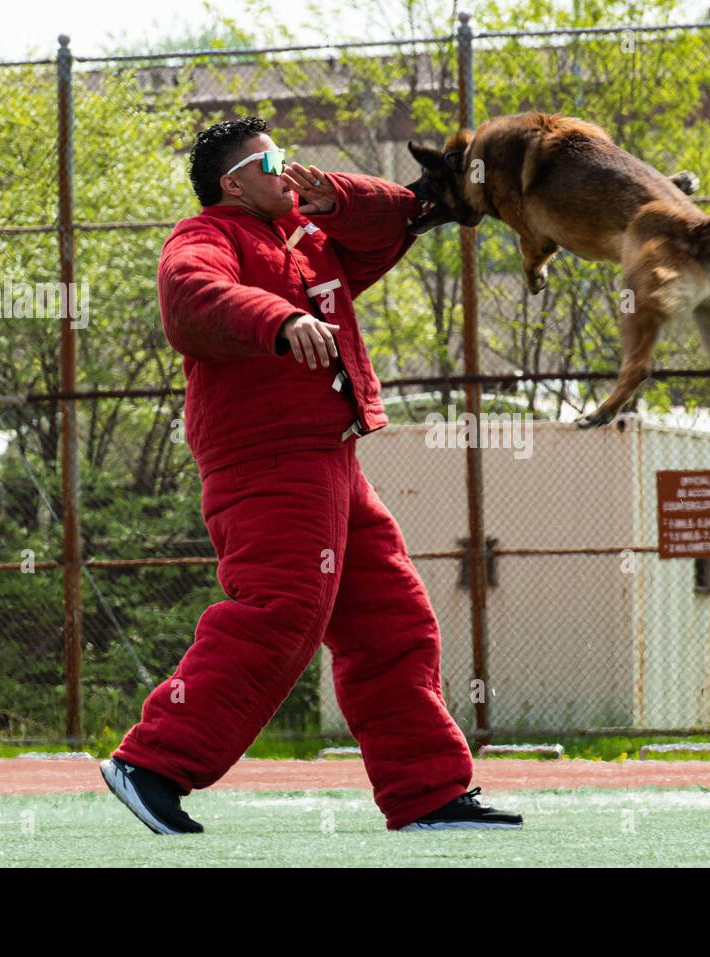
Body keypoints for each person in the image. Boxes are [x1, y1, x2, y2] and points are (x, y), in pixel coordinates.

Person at [98, 117, 520, 834]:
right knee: (282, 609)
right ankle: (154, 761)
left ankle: (428, 794)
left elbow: (394, 221)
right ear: (233, 183)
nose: (288, 168)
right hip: (266, 456)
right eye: (272, 160)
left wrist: (337, 195)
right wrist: (277, 320)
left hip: (330, 457)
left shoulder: (306, 241)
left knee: (392, 621)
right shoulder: (208, 234)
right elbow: (187, 296)